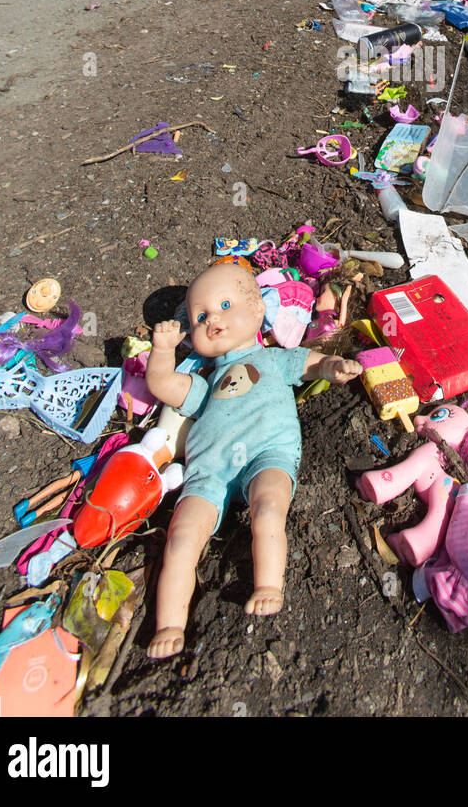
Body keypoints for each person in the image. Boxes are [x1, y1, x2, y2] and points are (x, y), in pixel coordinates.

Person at [145, 262, 362, 658]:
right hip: (209, 469)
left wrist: (335, 367)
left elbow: (312, 362)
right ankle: (170, 623)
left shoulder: (274, 361)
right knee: (180, 538)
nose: (212, 320)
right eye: (200, 316)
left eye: (225, 304)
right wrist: (161, 351)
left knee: (268, 508)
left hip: (268, 452)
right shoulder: (205, 384)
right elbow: (163, 385)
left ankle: (267, 584)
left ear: (259, 311)